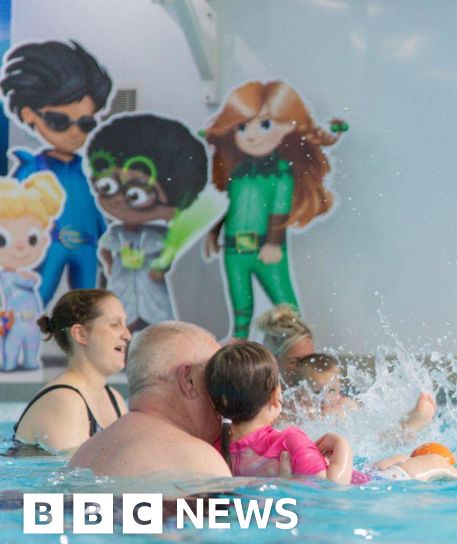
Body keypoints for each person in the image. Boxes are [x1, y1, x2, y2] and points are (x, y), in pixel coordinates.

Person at [203, 80, 343, 339]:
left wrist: (274, 243)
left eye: (264, 124)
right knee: (240, 302)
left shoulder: (280, 172)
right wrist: (214, 232)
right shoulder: (238, 172)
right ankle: (238, 342)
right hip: (234, 249)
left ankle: (300, 344)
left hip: (265, 247)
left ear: (287, 125)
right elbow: (229, 206)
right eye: (242, 126)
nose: (251, 134)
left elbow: (280, 207)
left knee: (285, 303)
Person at [208, 342, 457, 484]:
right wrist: (342, 446)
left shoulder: (216, 448)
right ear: (276, 396)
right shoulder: (289, 438)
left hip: (365, 476)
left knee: (394, 459)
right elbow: (330, 489)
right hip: (368, 488)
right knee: (436, 461)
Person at [1, 40, 113, 304]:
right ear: (29, 114)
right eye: (58, 121)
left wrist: (105, 241)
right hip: (49, 245)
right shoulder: (32, 168)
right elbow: (15, 212)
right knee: (37, 296)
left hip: (87, 246)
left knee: (86, 303)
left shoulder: (85, 170)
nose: (74, 132)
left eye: (85, 123)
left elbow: (94, 209)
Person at [89, 113, 211, 332]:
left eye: (136, 193)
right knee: (119, 326)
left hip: (152, 294)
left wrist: (162, 267)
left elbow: (171, 251)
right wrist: (110, 267)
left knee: (158, 327)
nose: (119, 200)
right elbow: (105, 250)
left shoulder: (159, 235)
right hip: (122, 288)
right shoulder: (115, 234)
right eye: (108, 186)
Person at [69, 321, 230, 476]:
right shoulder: (197, 460)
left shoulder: (84, 454)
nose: (224, 392)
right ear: (188, 379)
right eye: (216, 376)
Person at [258, 305, 436, 437]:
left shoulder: (335, 400)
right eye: (295, 361)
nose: (304, 368)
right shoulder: (268, 407)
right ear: (273, 360)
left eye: (310, 359)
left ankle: (405, 427)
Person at [11, 289, 130, 455]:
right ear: (80, 334)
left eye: (125, 324)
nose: (127, 335)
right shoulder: (65, 401)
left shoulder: (114, 398)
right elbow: (69, 472)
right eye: (115, 324)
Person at [0, 173, 64, 371]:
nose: (20, 247)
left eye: (32, 239)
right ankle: (8, 364)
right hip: (12, 320)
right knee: (11, 346)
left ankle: (29, 362)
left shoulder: (28, 277)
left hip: (32, 321)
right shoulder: (5, 278)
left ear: (44, 240)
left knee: (31, 344)